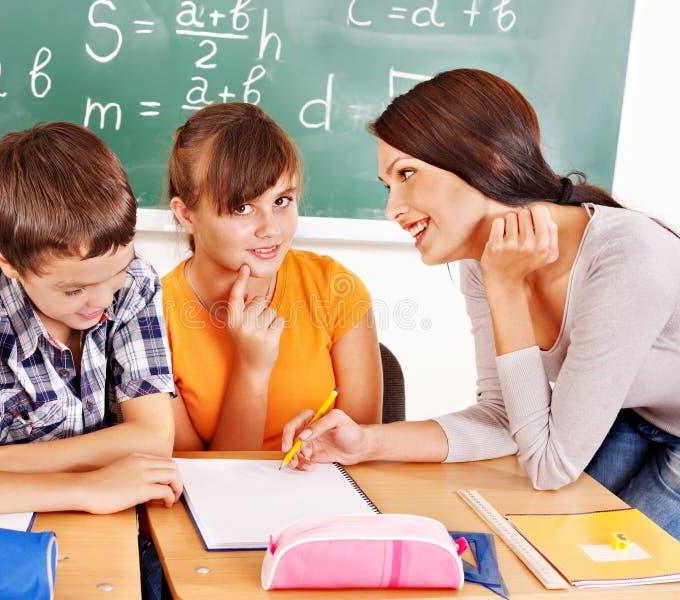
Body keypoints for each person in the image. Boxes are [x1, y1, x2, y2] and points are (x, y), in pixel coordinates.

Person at [282, 68, 680, 539]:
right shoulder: (486, 258)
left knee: (609, 576)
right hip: (635, 414)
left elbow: (549, 465)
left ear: (486, 160)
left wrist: (506, 289)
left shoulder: (626, 257)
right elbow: (502, 415)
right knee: (541, 542)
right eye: (389, 185)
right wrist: (367, 441)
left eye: (407, 173)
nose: (392, 209)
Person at [0, 121, 182, 518]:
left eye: (117, 271)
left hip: (90, 533)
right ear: (8, 262)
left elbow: (153, 438)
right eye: (73, 290)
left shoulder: (135, 284)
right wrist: (85, 487)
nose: (104, 300)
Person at [163, 102, 382, 451]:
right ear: (187, 215)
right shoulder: (152, 318)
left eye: (282, 200)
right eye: (242, 208)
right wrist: (251, 370)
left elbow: (360, 454)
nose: (271, 229)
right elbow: (202, 480)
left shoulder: (335, 289)